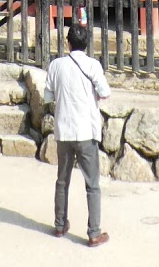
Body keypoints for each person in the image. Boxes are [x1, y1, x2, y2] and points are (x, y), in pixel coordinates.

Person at [44, 20, 110, 246]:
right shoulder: (93, 66)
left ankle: (60, 225)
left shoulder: (56, 65)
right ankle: (93, 232)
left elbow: (47, 96)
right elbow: (105, 92)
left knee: (62, 180)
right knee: (92, 183)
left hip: (64, 130)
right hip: (85, 130)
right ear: (87, 43)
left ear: (67, 42)